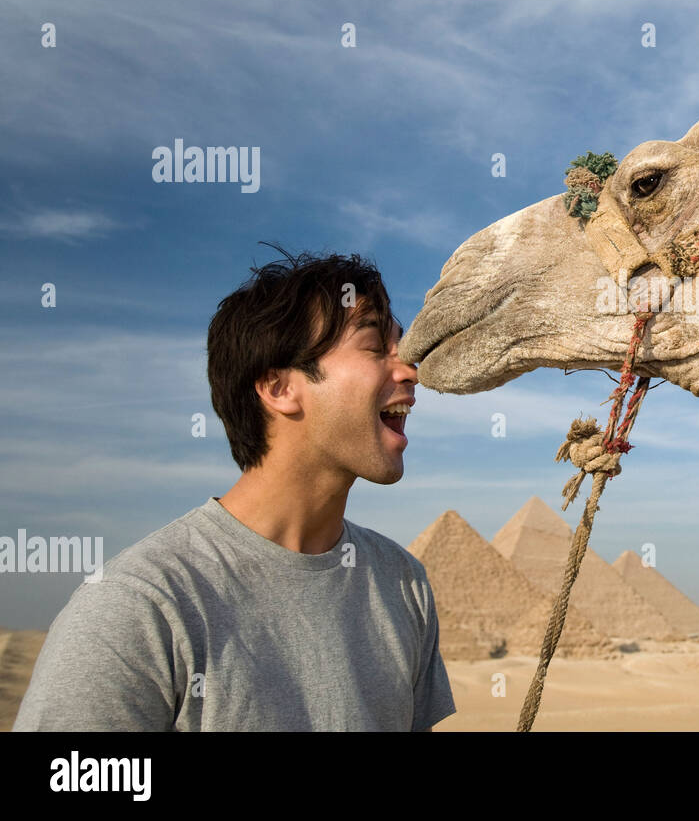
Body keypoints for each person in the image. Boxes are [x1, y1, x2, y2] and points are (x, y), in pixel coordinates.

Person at [15, 245, 455, 730]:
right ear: (279, 388)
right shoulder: (139, 607)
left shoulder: (403, 583)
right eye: (375, 347)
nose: (410, 370)